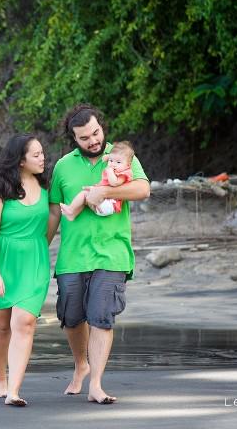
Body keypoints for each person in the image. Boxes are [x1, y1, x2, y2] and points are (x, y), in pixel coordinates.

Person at [47, 104, 150, 404]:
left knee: (101, 317)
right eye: (84, 137)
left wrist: (105, 191)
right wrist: (40, 249)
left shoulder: (121, 156)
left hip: (112, 253)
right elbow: (54, 212)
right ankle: (81, 365)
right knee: (72, 318)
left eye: (96, 133)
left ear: (101, 127)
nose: (93, 140)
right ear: (73, 139)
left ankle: (96, 384)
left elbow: (142, 189)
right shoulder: (63, 166)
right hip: (72, 256)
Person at [0, 134, 51, 407]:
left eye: (42, 153)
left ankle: (14, 391)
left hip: (34, 262)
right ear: (20, 160)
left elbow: (53, 219)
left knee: (25, 322)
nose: (43, 158)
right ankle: (1, 381)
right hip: (2, 260)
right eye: (36, 155)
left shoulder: (46, 185)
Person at [60, 141, 135, 220]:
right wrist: (109, 157)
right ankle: (73, 214)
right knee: (85, 198)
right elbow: (108, 158)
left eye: (118, 162)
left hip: (109, 204)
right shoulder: (118, 166)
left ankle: (71, 209)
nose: (113, 164)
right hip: (105, 201)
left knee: (84, 194)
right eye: (111, 161)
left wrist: (110, 171)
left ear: (128, 165)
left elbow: (114, 183)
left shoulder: (124, 173)